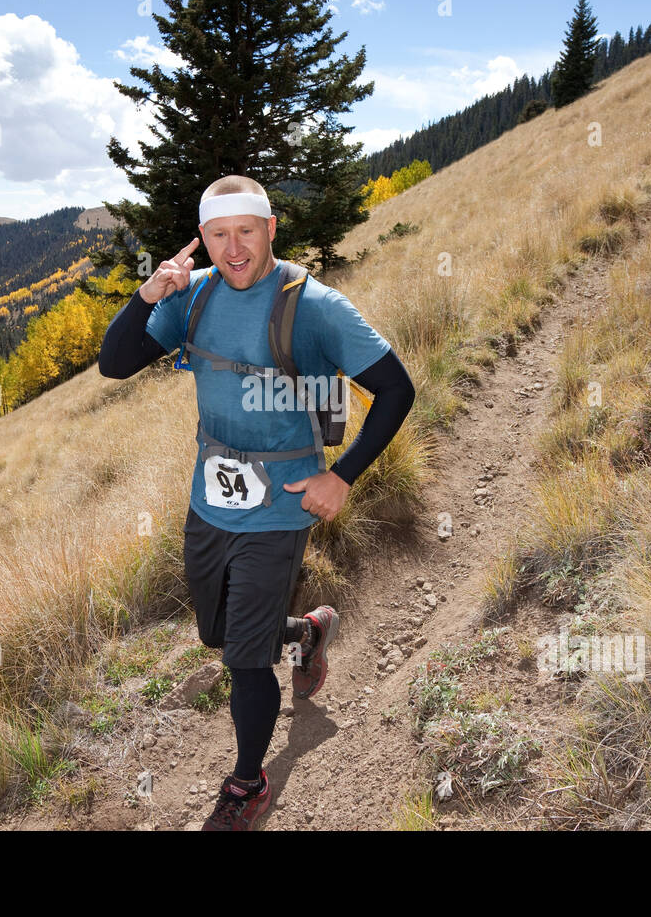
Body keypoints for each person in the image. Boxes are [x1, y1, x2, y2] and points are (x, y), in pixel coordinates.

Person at [97, 174, 415, 830]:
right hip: (208, 500)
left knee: (242, 659)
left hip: (282, 504)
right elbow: (115, 364)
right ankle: (306, 630)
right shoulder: (195, 297)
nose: (233, 247)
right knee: (218, 634)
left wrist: (343, 475)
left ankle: (247, 782)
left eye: (247, 231)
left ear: (271, 229)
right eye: (219, 234)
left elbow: (395, 388)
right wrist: (146, 296)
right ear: (203, 239)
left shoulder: (316, 305)